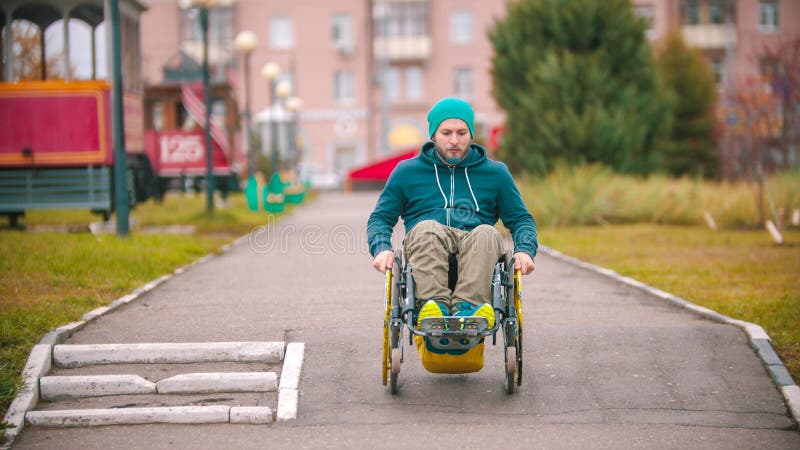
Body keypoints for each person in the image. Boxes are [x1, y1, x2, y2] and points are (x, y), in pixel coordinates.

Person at [367, 97, 537, 331]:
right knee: (427, 228)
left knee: (488, 232)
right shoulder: (407, 172)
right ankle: (433, 307)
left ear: (471, 134)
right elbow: (380, 218)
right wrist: (381, 248)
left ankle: (468, 309)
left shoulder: (496, 174)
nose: (454, 140)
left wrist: (525, 250)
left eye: (462, 132)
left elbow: (521, 220)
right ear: (434, 134)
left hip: (476, 244)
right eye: (446, 132)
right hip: (427, 242)